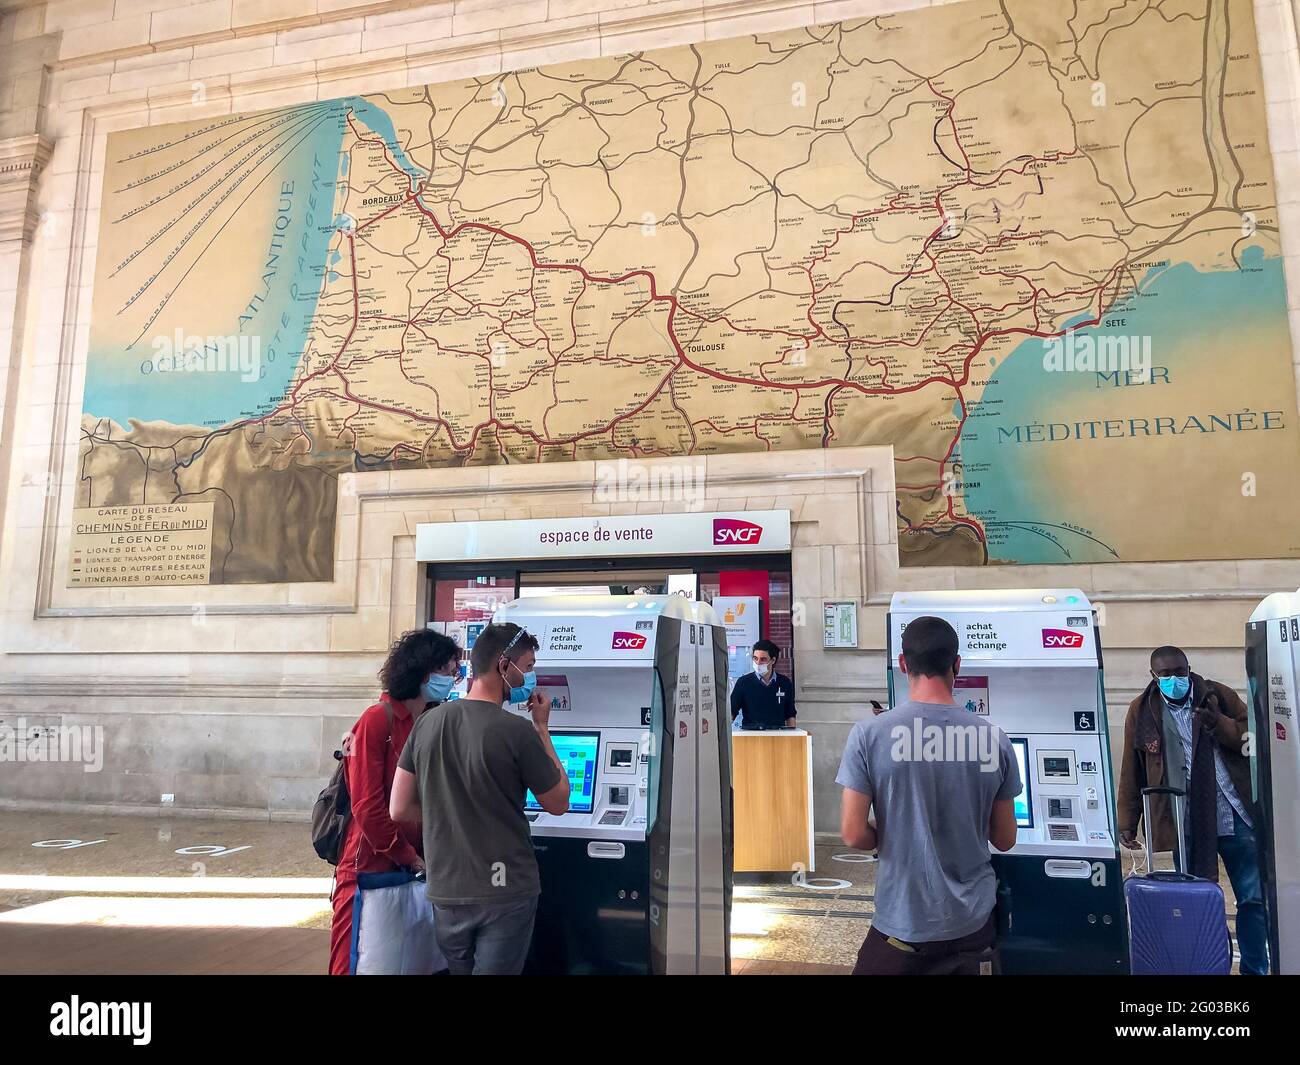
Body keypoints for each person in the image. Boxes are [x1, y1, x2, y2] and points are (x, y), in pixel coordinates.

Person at [836, 615, 1020, 975]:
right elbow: (1005, 838)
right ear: (957, 665)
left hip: (902, 928)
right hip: (972, 928)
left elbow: (853, 833)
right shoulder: (993, 739)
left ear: (903, 663)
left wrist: (892, 834)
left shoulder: (869, 735)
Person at [389, 622, 569, 975]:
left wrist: (452, 807)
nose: (528, 678)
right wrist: (542, 728)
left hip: (447, 888)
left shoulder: (427, 723)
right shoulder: (517, 731)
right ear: (504, 666)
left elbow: (399, 808)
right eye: (528, 667)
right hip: (505, 889)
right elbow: (558, 802)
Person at [1117, 644, 1267, 974]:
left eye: (1180, 672)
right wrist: (1127, 821)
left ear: (1189, 669)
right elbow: (1133, 767)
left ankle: (1255, 968)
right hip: (1184, 822)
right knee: (1195, 900)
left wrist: (1221, 725)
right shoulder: (1142, 711)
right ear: (1154, 676)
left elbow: (1253, 741)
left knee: (1253, 900)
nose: (1175, 679)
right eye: (1166, 674)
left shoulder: (1218, 696)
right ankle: (1205, 964)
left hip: (1234, 814)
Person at [328, 628, 461, 976]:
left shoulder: (428, 722)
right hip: (370, 870)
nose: (452, 679)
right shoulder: (376, 720)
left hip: (410, 871)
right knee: (360, 963)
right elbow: (368, 808)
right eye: (447, 671)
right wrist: (410, 856)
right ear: (423, 671)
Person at [729, 638, 796, 728]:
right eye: (755, 658)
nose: (758, 663)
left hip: (778, 735)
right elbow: (732, 712)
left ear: (773, 660)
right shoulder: (743, 682)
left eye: (763, 659)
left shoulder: (784, 683)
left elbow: (790, 714)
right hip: (750, 736)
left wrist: (792, 736)